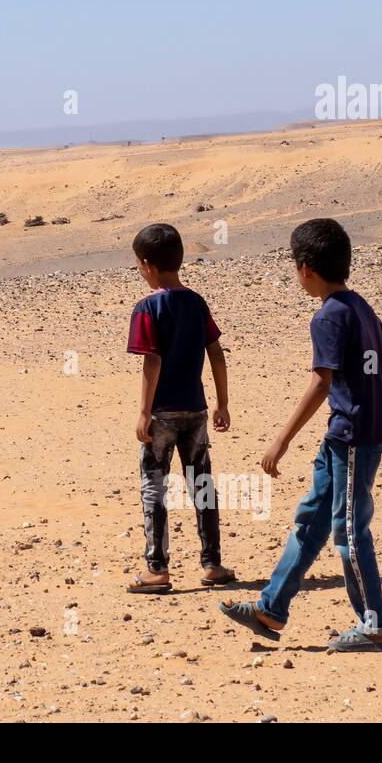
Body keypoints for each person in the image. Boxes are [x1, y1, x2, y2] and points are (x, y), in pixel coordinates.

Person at [220, 218, 382, 651]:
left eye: (295, 267)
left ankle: (376, 625)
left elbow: (321, 383)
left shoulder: (328, 316)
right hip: (345, 437)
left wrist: (281, 439)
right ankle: (270, 609)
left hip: (354, 437)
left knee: (350, 532)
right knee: (311, 520)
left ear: (306, 267)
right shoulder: (360, 306)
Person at [126, 223, 235, 593]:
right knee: (202, 483)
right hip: (196, 410)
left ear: (146, 264)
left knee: (154, 487)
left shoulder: (147, 307)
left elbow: (151, 361)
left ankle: (157, 569)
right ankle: (212, 564)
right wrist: (222, 402)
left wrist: (144, 411)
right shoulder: (196, 302)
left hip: (162, 413)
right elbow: (216, 353)